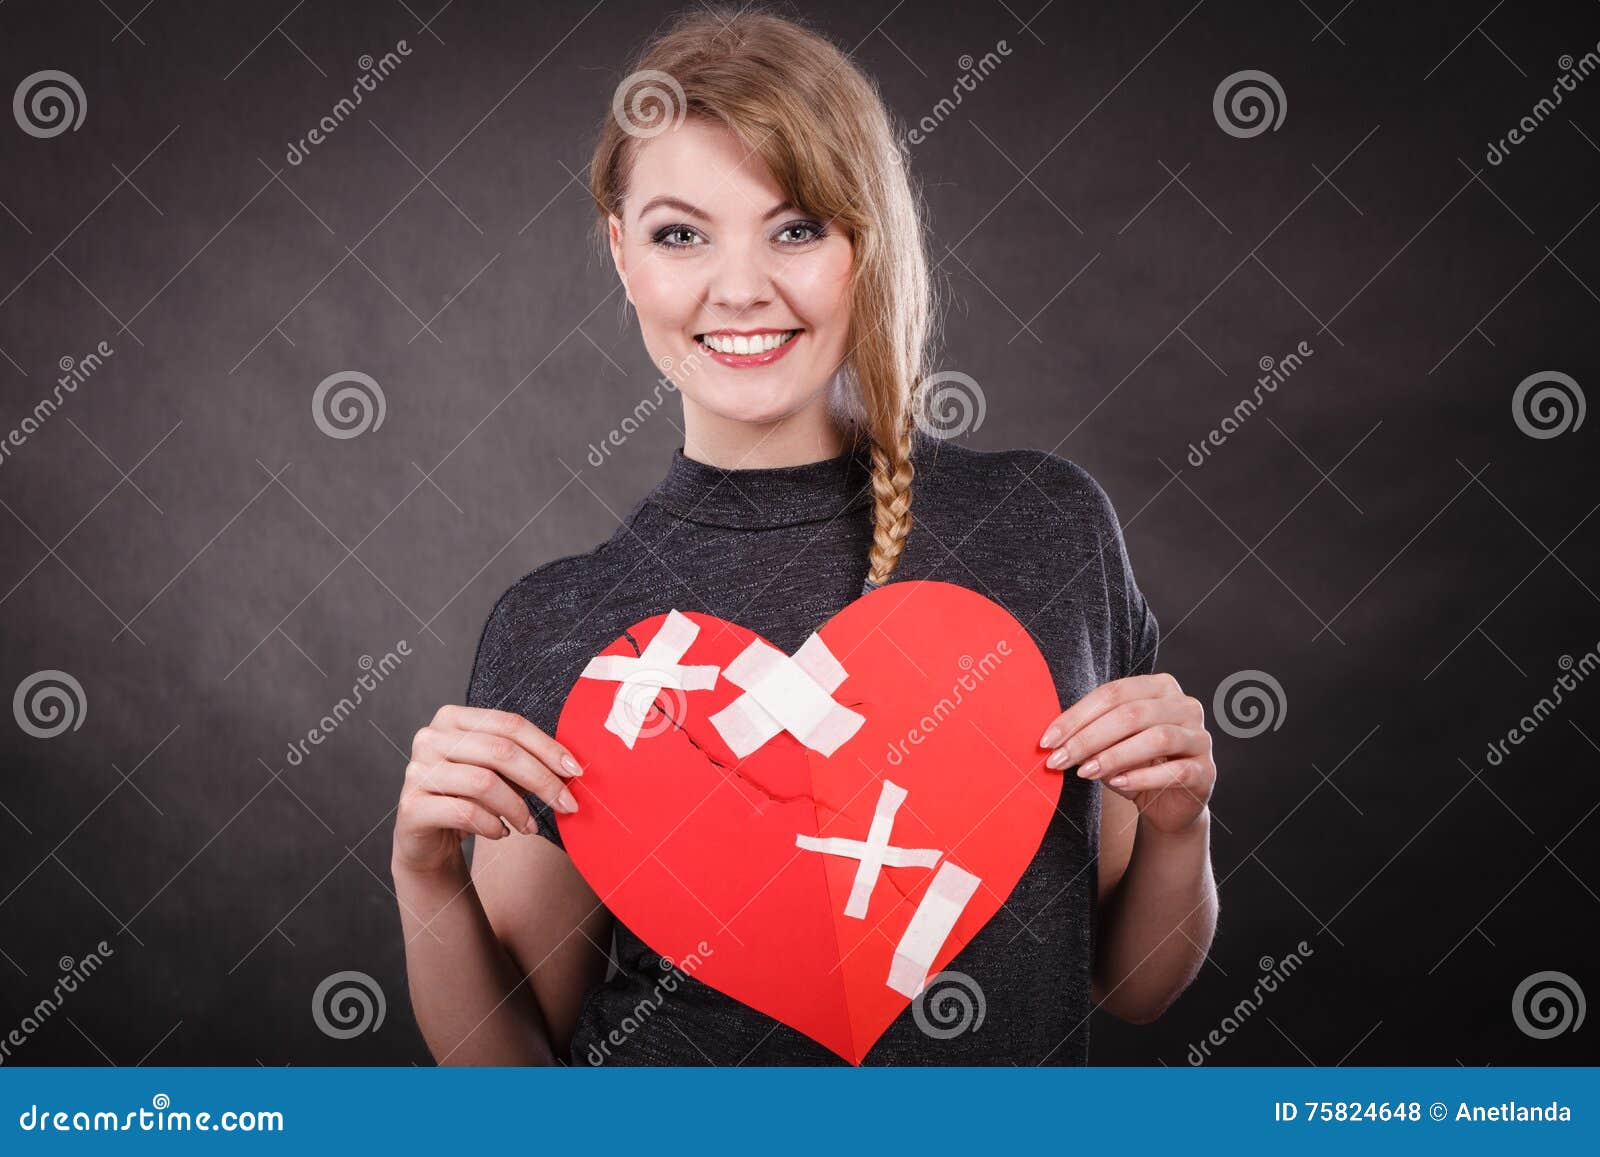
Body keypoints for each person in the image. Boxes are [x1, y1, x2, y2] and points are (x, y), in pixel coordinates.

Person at [391, 5, 1217, 1066]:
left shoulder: (1045, 529)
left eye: (796, 228)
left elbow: (1135, 984)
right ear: (622, 253)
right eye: (680, 233)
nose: (740, 288)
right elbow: (510, 1080)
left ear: (864, 242)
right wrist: (425, 874)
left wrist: (1179, 823)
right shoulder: (566, 627)